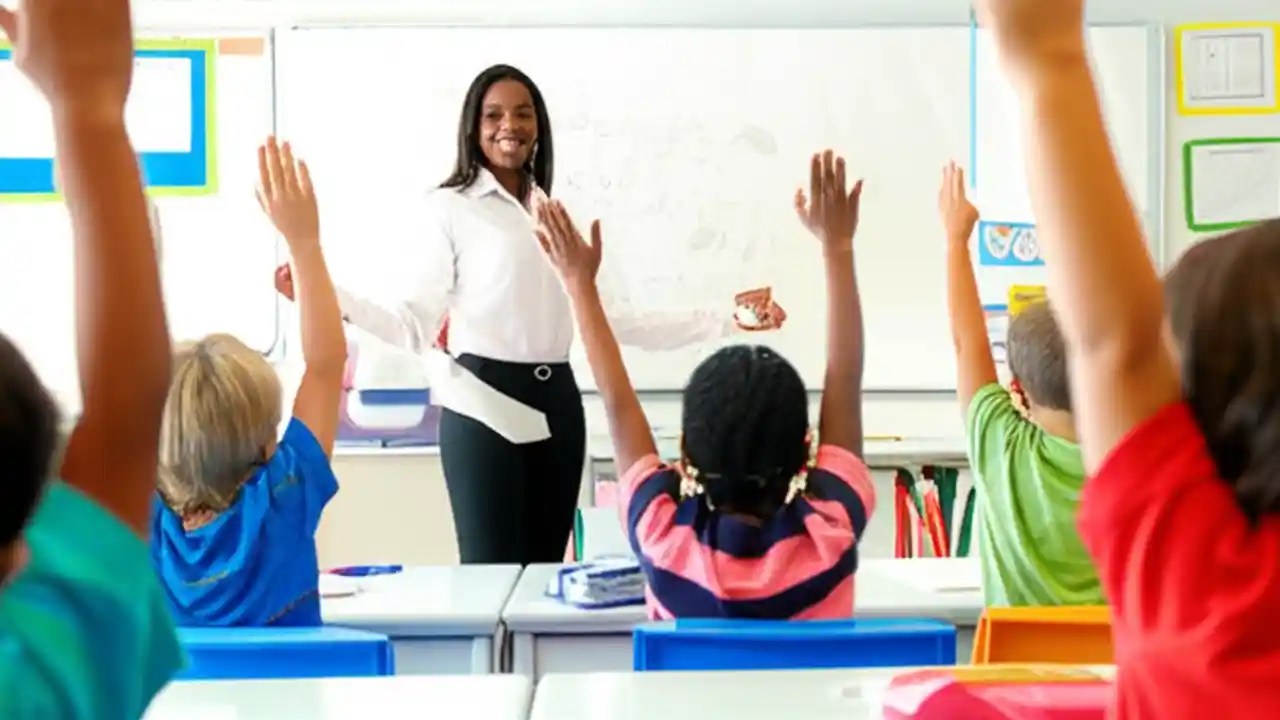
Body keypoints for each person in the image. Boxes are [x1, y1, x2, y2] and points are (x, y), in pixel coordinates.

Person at [281, 63, 785, 566]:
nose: (510, 126)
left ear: (538, 127)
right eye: (494, 115)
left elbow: (613, 323)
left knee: (545, 576)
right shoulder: (450, 209)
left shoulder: (557, 214)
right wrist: (323, 293)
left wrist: (727, 319)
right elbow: (412, 325)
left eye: (523, 114)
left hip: (558, 406)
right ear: (473, 129)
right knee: (489, 577)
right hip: (483, 407)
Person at [979, 0, 1280, 715]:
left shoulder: (1200, 575)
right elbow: (1122, 346)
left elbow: (1119, 344)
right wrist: (1046, 65)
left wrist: (1047, 63)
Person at [536, 150, 875, 618]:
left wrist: (579, 283)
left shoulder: (663, 541)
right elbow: (846, 377)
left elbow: (617, 405)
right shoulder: (830, 534)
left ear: (685, 458)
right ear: (806, 450)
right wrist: (837, 247)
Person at [0, 0, 183, 714]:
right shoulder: (43, 664)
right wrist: (90, 107)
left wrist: (88, 106)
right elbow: (127, 414)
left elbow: (123, 416)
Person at [150, 138, 346, 626]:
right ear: (265, 443)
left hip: (178, 708)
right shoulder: (284, 497)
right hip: (294, 706)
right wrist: (304, 243)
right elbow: (325, 365)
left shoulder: (143, 524)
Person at [938, 162, 1099, 607]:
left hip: (1009, 674)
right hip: (1113, 676)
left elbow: (967, 342)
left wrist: (955, 241)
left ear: (1018, 392)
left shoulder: (999, 444)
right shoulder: (1133, 464)